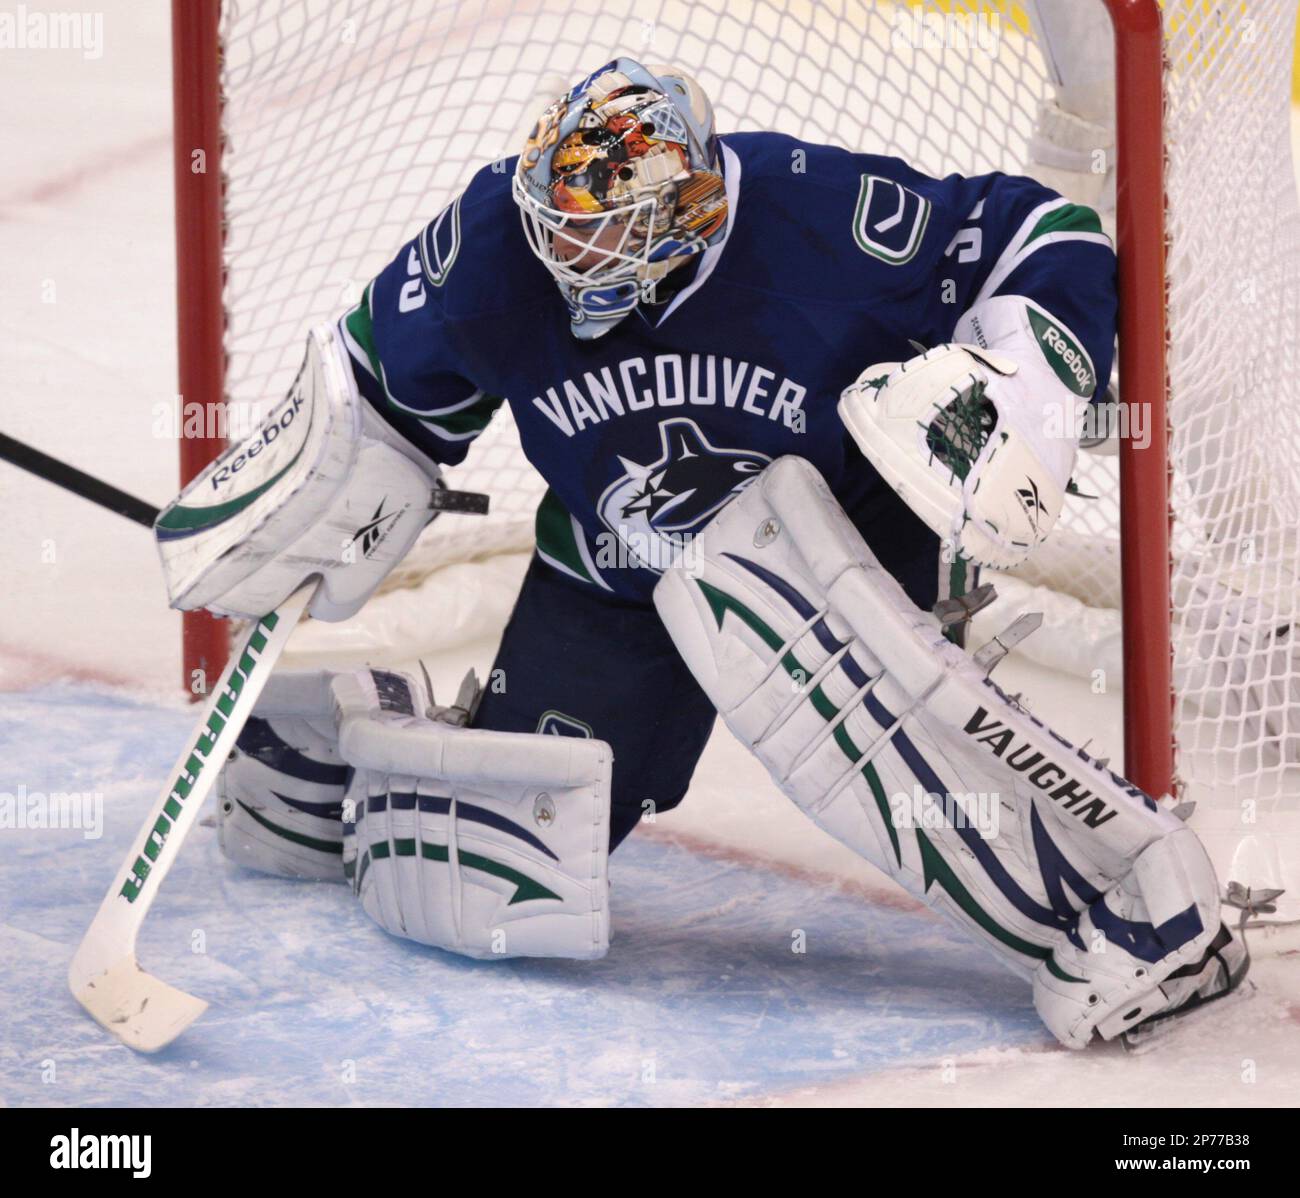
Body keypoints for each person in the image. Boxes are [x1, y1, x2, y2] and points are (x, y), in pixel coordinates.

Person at [160, 59, 1244, 1049]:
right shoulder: (498, 243)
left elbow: (1035, 230)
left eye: (599, 232)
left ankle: (1137, 899)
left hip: (837, 554)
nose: (564, 253)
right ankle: (331, 744)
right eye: (555, 223)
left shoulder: (822, 219)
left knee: (833, 675)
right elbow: (383, 390)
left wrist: (1035, 383)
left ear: (692, 207)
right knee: (499, 873)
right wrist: (318, 490)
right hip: (614, 563)